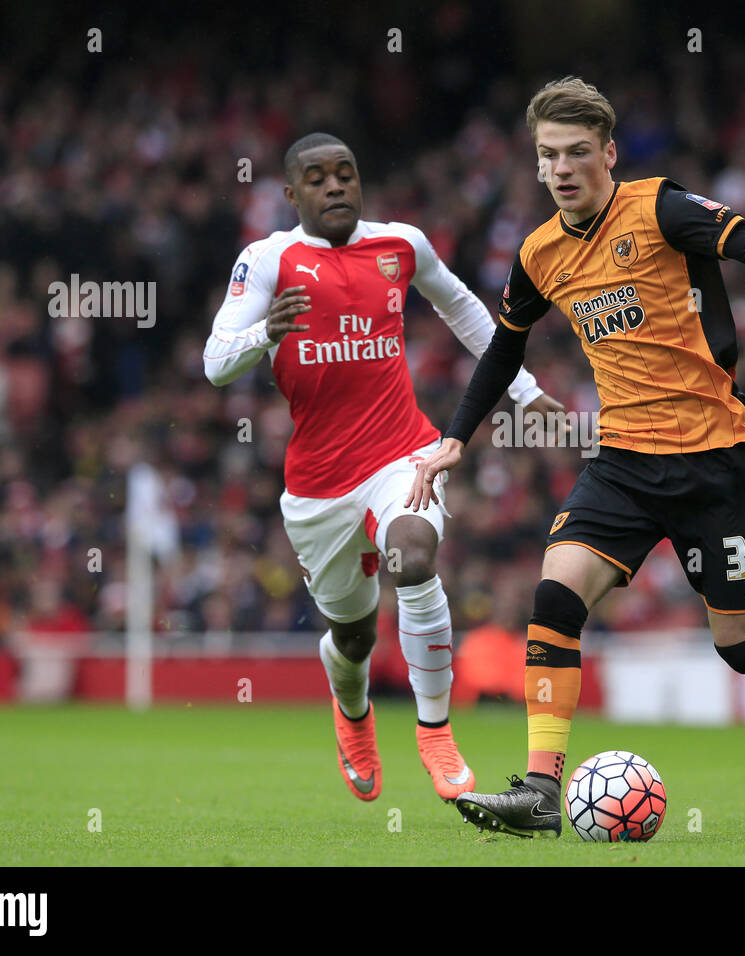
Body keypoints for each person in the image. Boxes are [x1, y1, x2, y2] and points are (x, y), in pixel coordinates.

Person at [407, 78, 745, 837]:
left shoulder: (660, 208)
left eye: (577, 153)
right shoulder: (538, 254)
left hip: (715, 459)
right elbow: (502, 350)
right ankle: (542, 793)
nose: (561, 169)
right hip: (621, 460)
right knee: (555, 600)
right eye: (548, 155)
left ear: (609, 154)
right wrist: (457, 435)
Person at [204, 133, 563, 803]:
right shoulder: (268, 260)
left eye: (346, 174)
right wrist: (266, 334)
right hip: (318, 486)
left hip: (403, 452)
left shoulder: (402, 245)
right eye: (318, 178)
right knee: (355, 633)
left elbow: (460, 305)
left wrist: (520, 386)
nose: (335, 186)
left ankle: (435, 732)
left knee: (414, 555)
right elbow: (216, 362)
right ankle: (353, 709)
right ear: (292, 194)